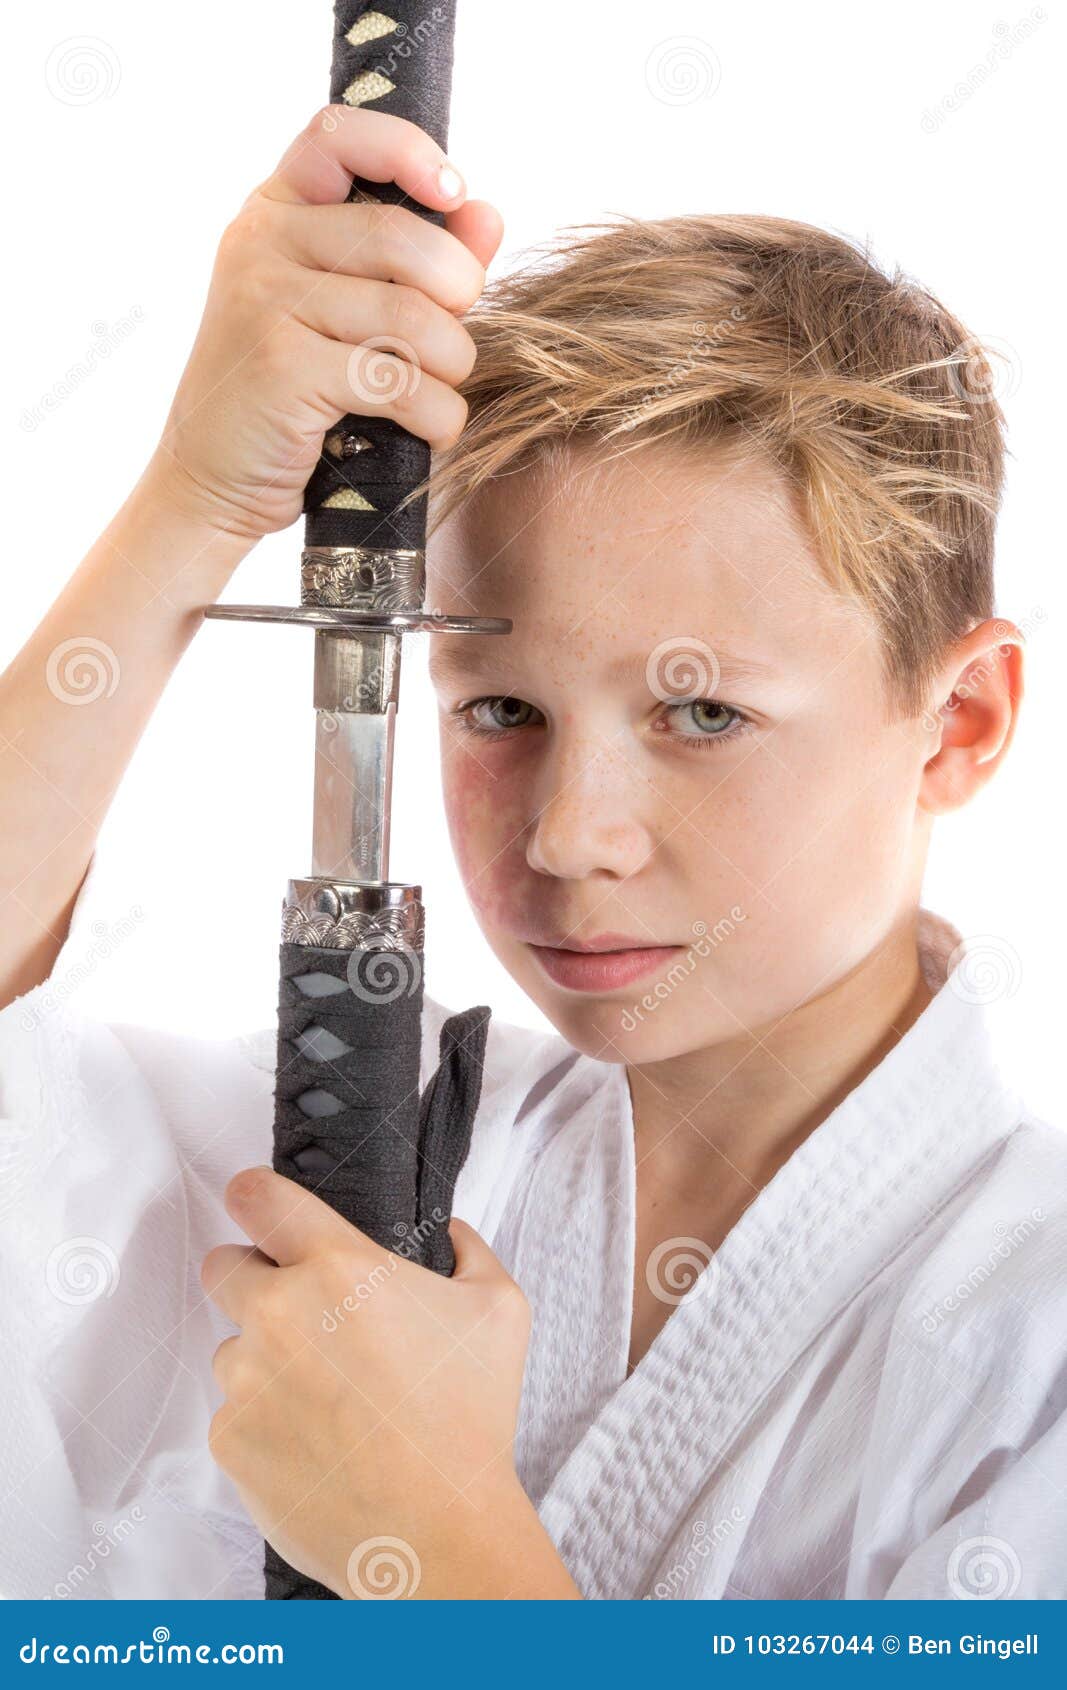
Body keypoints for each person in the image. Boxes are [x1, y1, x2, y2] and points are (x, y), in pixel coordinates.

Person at [0, 105, 1063, 1602]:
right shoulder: (340, 1153)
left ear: (956, 721)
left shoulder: (1036, 1345)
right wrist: (197, 501)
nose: (567, 833)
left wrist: (439, 1540)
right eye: (500, 706)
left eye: (701, 710)